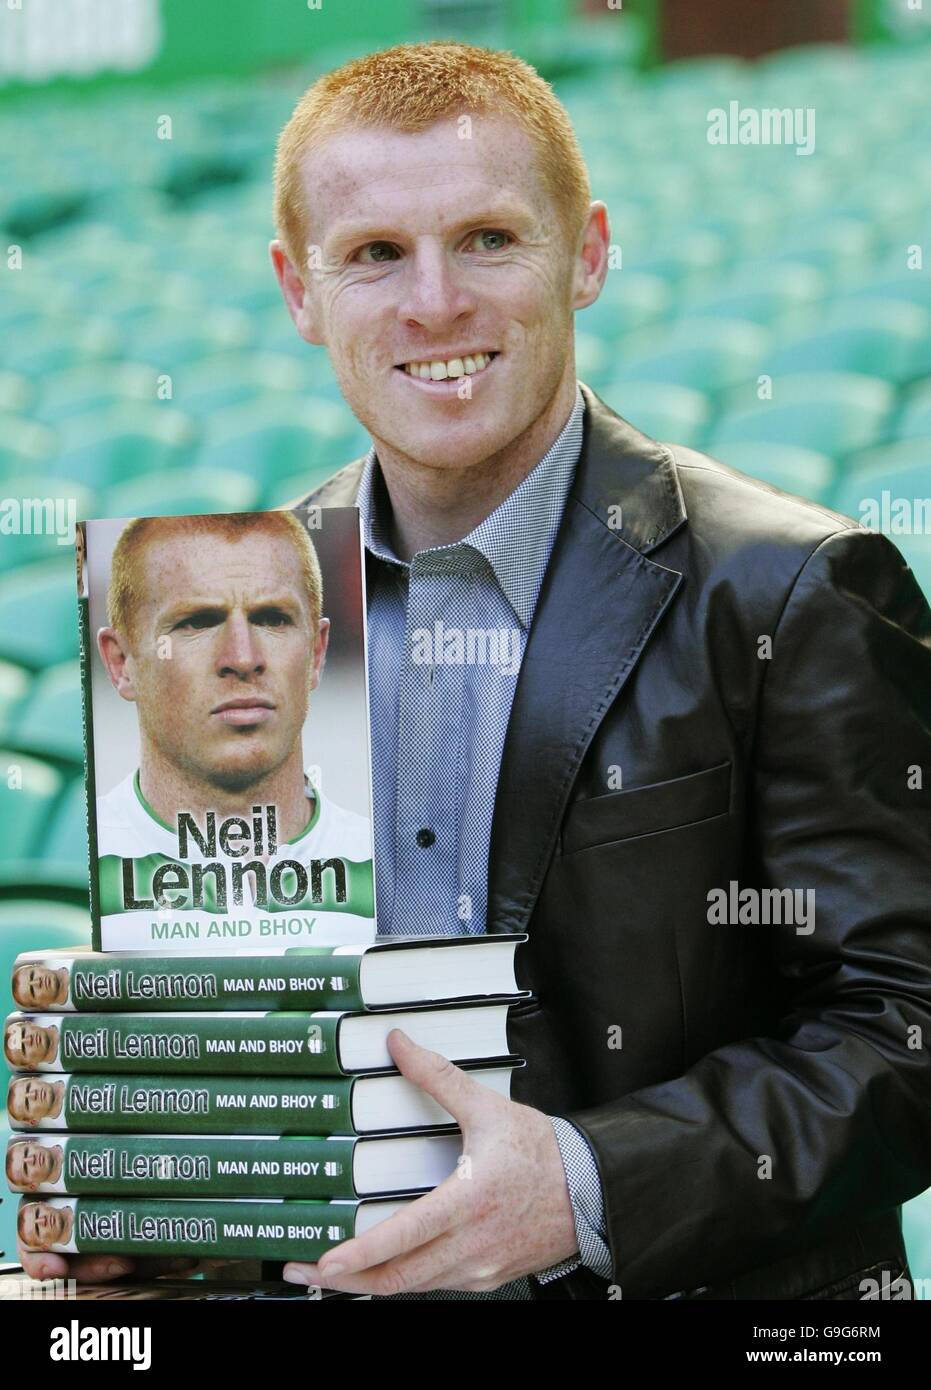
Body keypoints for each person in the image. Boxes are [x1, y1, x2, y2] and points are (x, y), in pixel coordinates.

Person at [21, 39, 931, 1301]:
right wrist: (166, 1225)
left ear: (589, 251)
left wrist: (586, 1184)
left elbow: (901, 1033)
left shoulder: (793, 590)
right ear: (299, 289)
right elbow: (272, 1067)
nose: (434, 303)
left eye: (490, 239)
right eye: (376, 254)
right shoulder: (253, 605)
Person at [92, 511, 373, 938]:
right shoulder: (76, 875)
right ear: (121, 663)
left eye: (273, 619)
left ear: (316, 655)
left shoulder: (388, 872)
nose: (243, 658)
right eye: (197, 623)